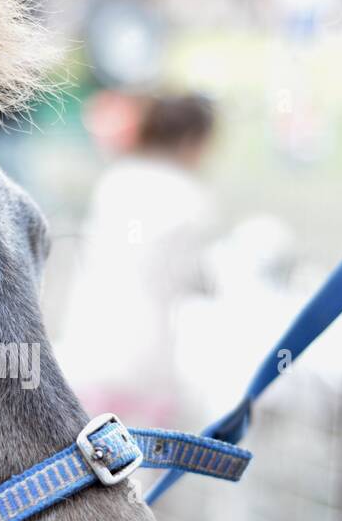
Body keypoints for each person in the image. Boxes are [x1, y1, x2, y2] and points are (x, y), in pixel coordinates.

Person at [56, 92, 219, 426]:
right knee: (141, 470)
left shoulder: (116, 179)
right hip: (146, 361)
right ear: (192, 140)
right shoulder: (191, 198)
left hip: (88, 345)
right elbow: (192, 279)